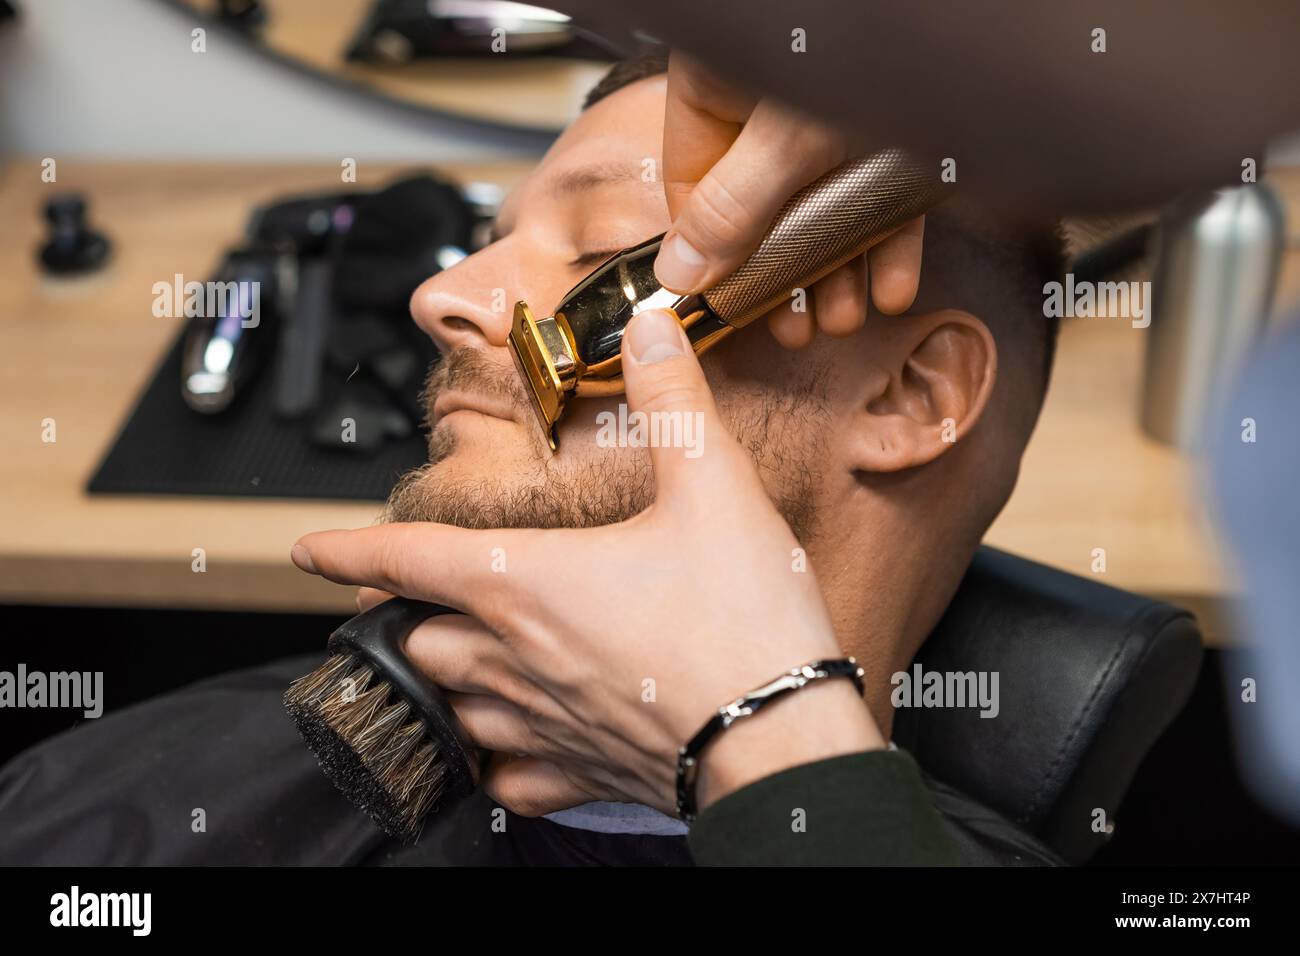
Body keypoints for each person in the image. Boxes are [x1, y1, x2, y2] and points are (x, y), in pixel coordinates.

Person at [0, 55, 1063, 866]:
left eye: (609, 249)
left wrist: (767, 744)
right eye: (493, 235)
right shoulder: (82, 809)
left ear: (908, 396)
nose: (439, 296)